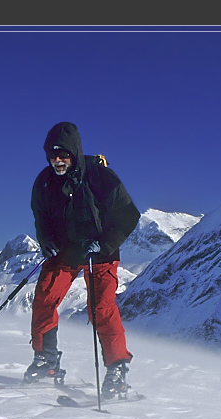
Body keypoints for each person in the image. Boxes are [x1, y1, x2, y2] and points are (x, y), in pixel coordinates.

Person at [24, 121, 141, 397]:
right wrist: (46, 241)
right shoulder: (43, 183)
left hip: (100, 252)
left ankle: (117, 370)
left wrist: (103, 244)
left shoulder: (101, 177)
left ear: (74, 153)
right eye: (53, 155)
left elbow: (128, 216)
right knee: (44, 298)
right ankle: (46, 360)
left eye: (63, 155)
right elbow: (41, 219)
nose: (58, 161)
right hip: (65, 250)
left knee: (101, 308)